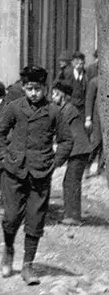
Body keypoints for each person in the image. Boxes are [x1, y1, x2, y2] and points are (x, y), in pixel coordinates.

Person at [0, 66, 74, 285]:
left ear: (45, 88)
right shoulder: (13, 108)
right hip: (14, 170)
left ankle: (28, 265)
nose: (34, 93)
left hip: (40, 172)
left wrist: (56, 162)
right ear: (23, 87)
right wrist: (3, 156)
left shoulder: (53, 112)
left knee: (35, 220)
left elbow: (67, 140)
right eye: (29, 89)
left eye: (38, 89)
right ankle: (8, 248)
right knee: (10, 218)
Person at [49, 80, 91, 226]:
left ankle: (74, 217)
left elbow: (57, 128)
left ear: (64, 96)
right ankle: (71, 214)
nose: (53, 97)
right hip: (77, 151)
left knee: (71, 182)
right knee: (69, 182)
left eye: (56, 94)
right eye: (52, 94)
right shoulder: (65, 109)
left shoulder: (68, 110)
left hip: (79, 151)